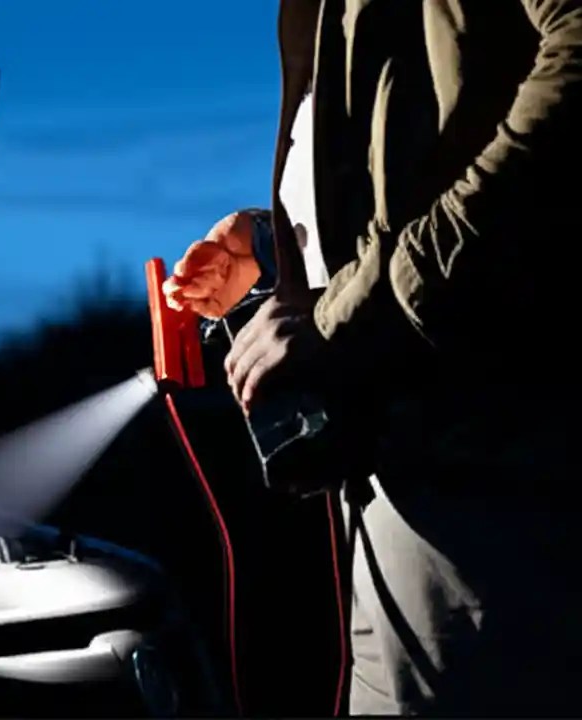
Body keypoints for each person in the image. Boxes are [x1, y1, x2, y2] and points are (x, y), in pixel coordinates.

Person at [163, 0, 582, 715]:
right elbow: (430, 144)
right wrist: (276, 248)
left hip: (491, 472)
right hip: (394, 471)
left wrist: (358, 304)